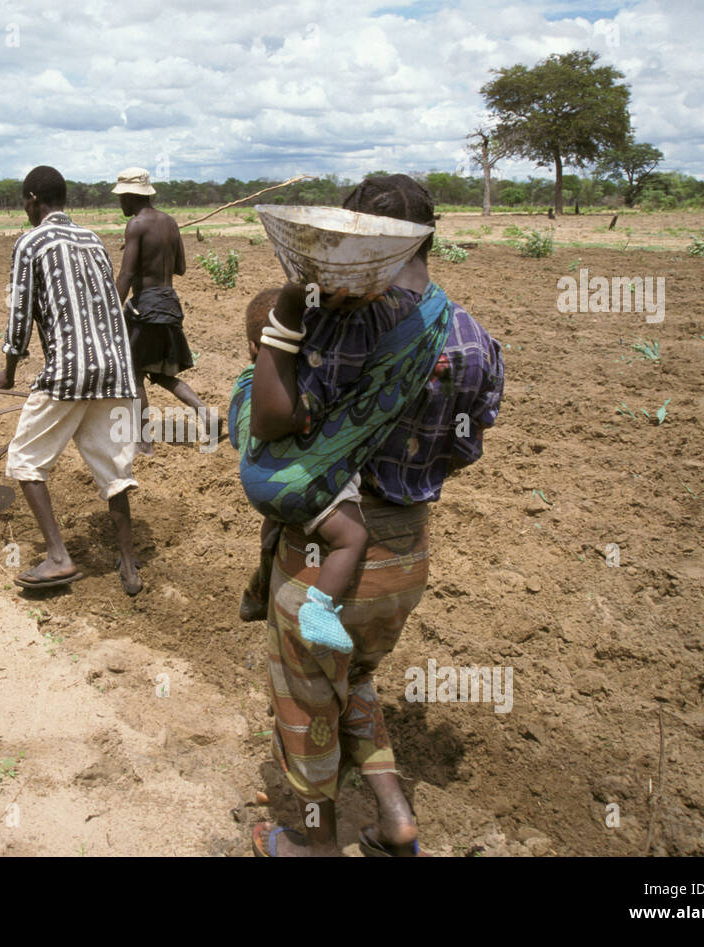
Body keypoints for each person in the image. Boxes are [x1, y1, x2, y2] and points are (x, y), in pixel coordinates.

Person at [234, 174, 504, 857]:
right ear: (431, 237)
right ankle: (394, 818)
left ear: (357, 243)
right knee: (354, 678)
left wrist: (291, 306)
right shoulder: (475, 339)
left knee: (305, 704)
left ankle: (312, 840)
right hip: (407, 553)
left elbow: (271, 416)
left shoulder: (347, 322)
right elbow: (465, 449)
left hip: (326, 557)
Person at [0, 166, 144, 596]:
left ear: (34, 198)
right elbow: (111, 301)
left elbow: (19, 314)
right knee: (113, 468)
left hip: (69, 372)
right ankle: (129, 564)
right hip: (115, 369)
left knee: (25, 458)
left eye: (24, 201)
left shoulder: (31, 242)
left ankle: (58, 558)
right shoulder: (93, 240)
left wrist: (9, 372)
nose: (25, 208)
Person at [236, 290, 368, 652]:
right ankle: (320, 607)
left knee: (275, 520)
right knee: (351, 538)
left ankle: (263, 575)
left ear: (251, 348)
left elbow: (237, 432)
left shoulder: (245, 384)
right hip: (298, 486)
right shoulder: (313, 381)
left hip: (257, 484)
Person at [111, 167, 211, 454]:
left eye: (122, 198)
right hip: (169, 304)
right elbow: (180, 268)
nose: (121, 204)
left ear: (132, 197)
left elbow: (126, 275)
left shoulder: (137, 225)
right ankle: (205, 414)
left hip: (147, 308)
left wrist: (110, 311)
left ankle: (144, 443)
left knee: (134, 375)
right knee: (161, 373)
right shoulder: (170, 222)